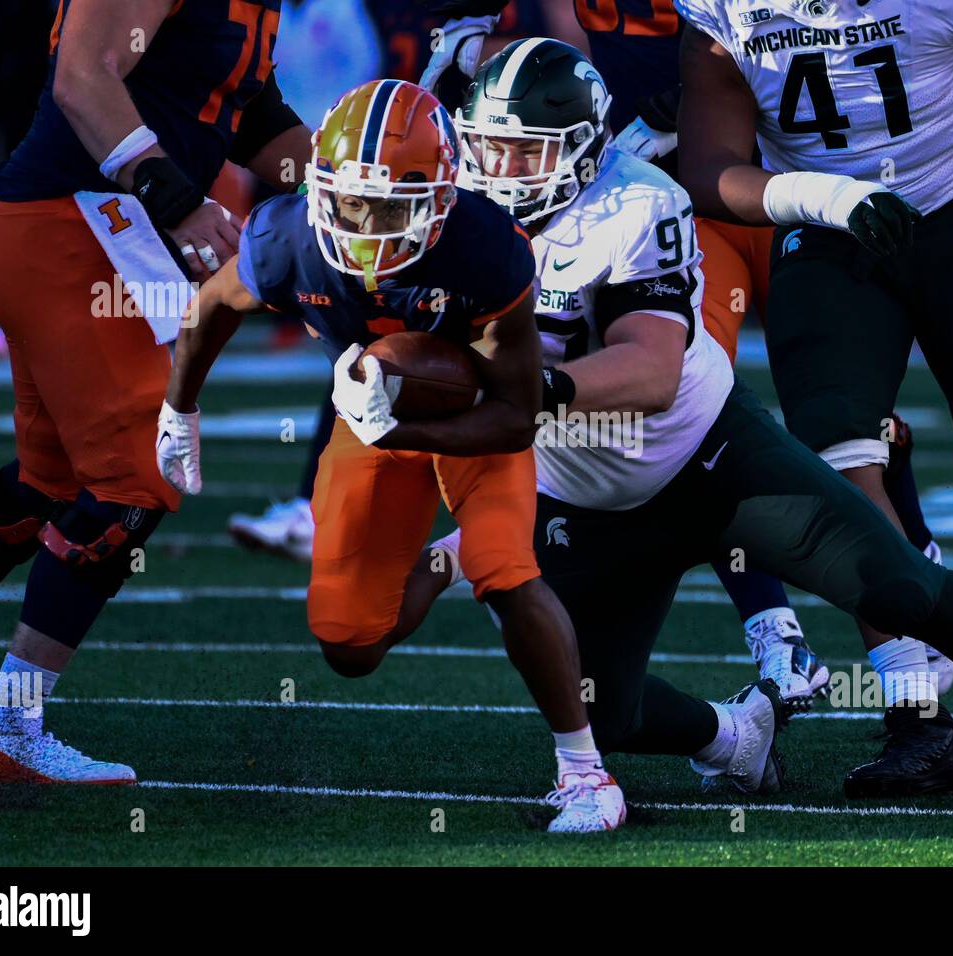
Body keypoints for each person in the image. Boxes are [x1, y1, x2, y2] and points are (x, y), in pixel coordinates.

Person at [412, 37, 953, 809]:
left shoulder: (634, 203)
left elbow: (652, 371)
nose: (495, 171)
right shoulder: (457, 219)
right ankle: (732, 736)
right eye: (486, 149)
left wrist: (528, 393)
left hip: (711, 459)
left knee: (895, 586)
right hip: (588, 497)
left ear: (579, 149)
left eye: (521, 154)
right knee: (597, 703)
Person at [157, 77, 626, 833]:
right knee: (350, 644)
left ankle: (584, 772)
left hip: (469, 411)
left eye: (391, 207)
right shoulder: (287, 240)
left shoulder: (485, 248)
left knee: (508, 571)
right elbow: (211, 305)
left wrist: (402, 429)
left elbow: (516, 414)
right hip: (368, 409)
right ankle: (450, 558)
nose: (367, 225)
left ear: (443, 196)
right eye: (350, 202)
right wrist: (179, 408)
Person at [0, 0, 311, 782]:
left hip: (89, 232)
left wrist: (357, 177)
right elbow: (82, 76)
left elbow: (251, 115)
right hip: (68, 225)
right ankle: (7, 724)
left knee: (52, 482)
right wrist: (170, 192)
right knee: (139, 476)